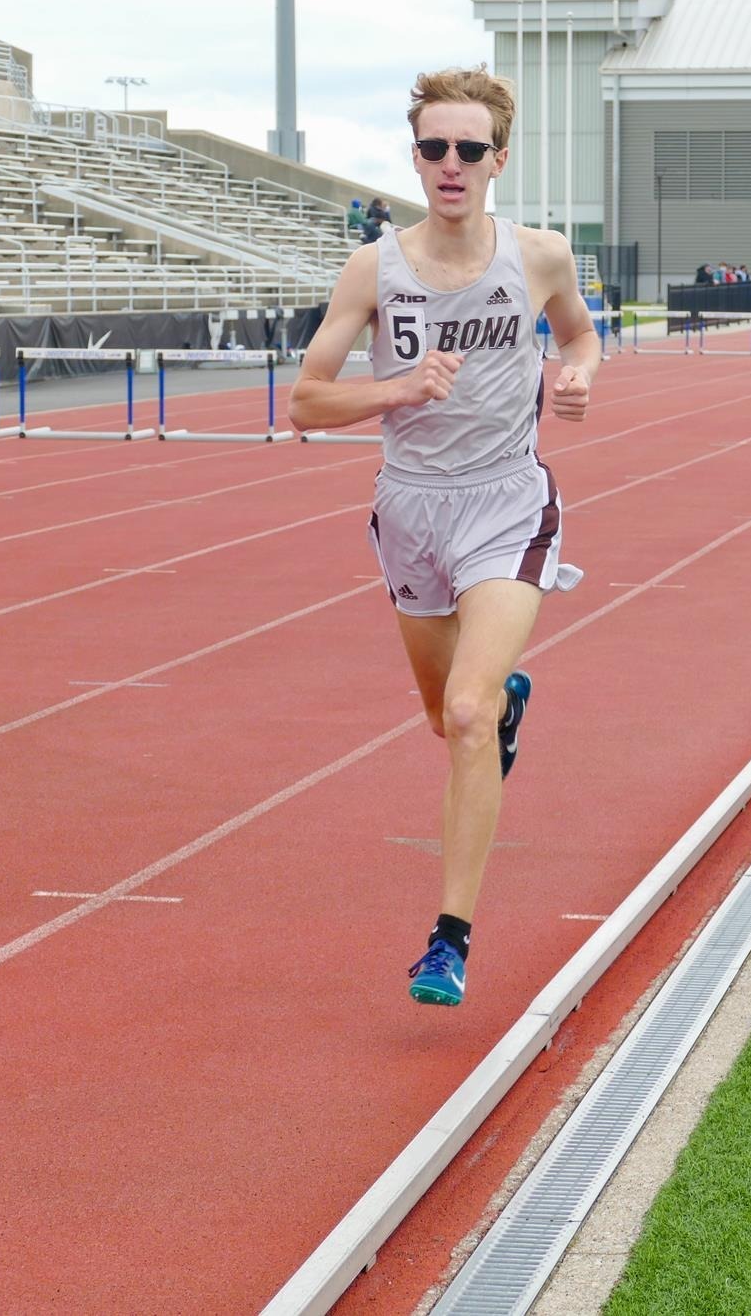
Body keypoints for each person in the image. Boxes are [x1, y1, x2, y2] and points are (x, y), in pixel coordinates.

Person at [287, 65, 599, 1006]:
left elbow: (580, 337)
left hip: (507, 502)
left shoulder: (540, 256)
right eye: (434, 147)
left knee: (465, 713)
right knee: (444, 715)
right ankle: (505, 702)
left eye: (469, 148)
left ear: (498, 159)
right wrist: (398, 388)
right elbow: (306, 402)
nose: (451, 163)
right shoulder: (373, 268)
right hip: (412, 509)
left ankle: (448, 941)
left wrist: (578, 377)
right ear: (416, 158)